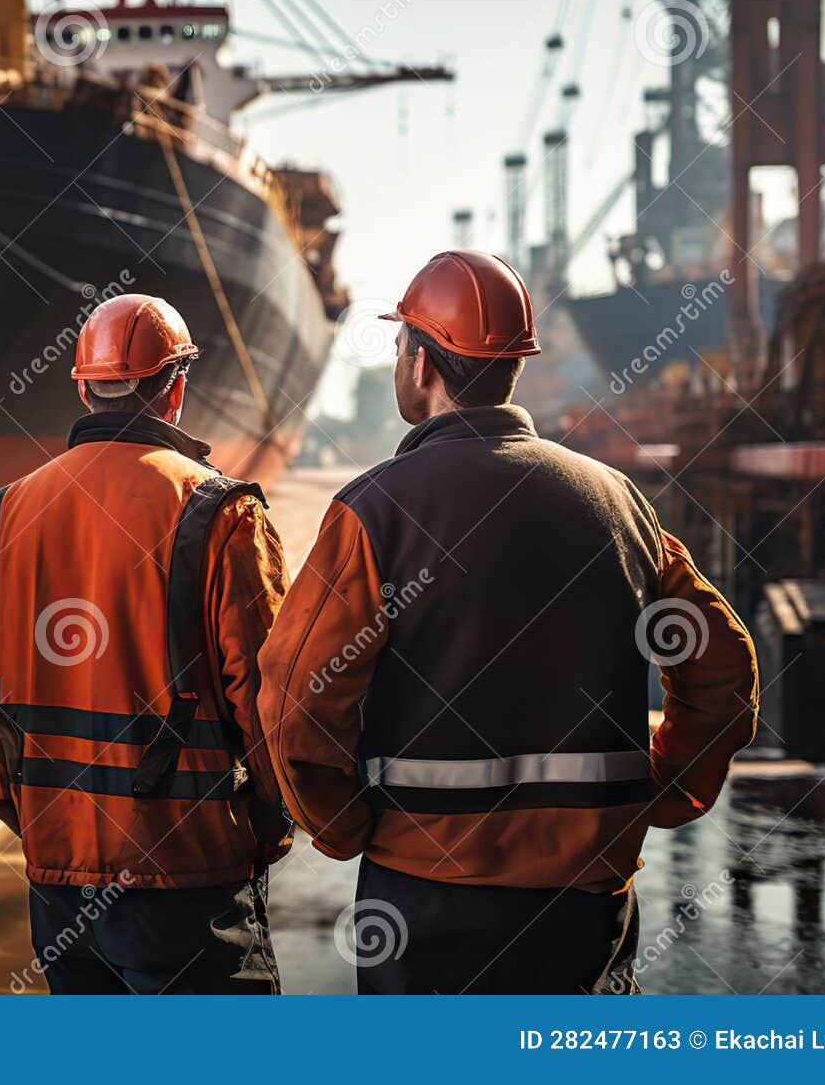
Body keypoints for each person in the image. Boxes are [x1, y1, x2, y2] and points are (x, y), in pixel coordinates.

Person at [258, 250, 759, 994]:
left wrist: (342, 828)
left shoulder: (375, 511)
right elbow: (723, 674)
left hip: (425, 895)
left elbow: (297, 702)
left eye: (401, 345)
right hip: (587, 896)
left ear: (422, 365)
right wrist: (666, 787)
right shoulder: (619, 503)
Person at [0, 293, 293, 994]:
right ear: (178, 389)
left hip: (59, 882)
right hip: (190, 870)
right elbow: (270, 701)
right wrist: (267, 826)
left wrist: (31, 816)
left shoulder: (2, 514)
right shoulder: (223, 513)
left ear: (81, 386)